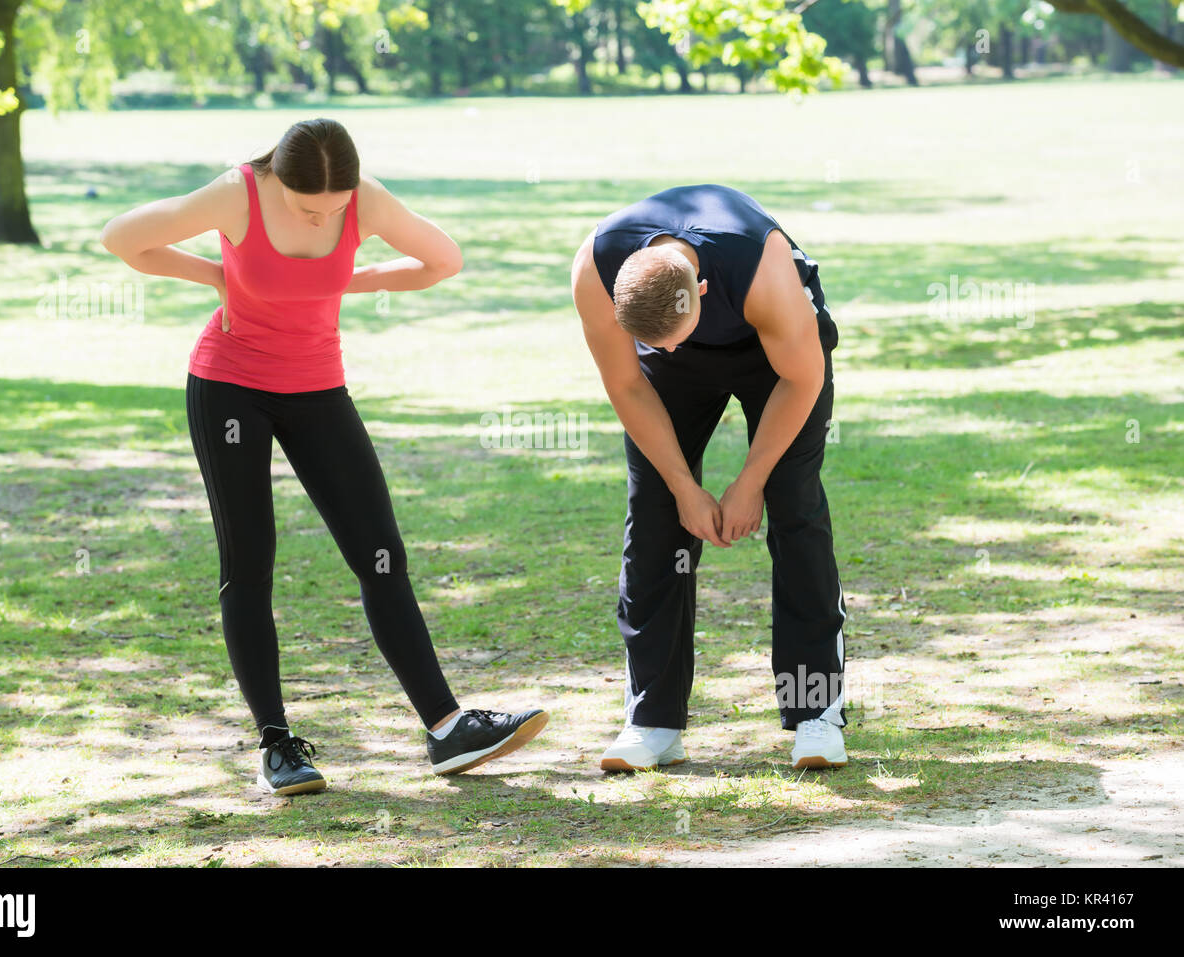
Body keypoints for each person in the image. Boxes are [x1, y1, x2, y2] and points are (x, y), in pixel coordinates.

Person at [101, 118, 546, 795]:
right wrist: (218, 275)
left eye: (334, 212)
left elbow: (443, 260)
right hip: (230, 386)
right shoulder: (238, 192)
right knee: (249, 561)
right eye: (308, 209)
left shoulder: (362, 198)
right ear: (279, 179)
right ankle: (278, 746)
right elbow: (124, 238)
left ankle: (446, 727)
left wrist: (354, 282)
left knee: (381, 554)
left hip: (317, 388)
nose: (321, 221)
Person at [569, 184, 847, 772]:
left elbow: (802, 380)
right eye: (650, 343)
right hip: (675, 355)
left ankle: (813, 712)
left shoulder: (761, 270)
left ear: (698, 292)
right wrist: (681, 486)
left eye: (670, 337)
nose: (663, 351)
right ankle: (654, 721)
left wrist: (750, 481)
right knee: (654, 521)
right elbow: (627, 384)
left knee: (793, 504)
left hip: (772, 351)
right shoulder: (596, 270)